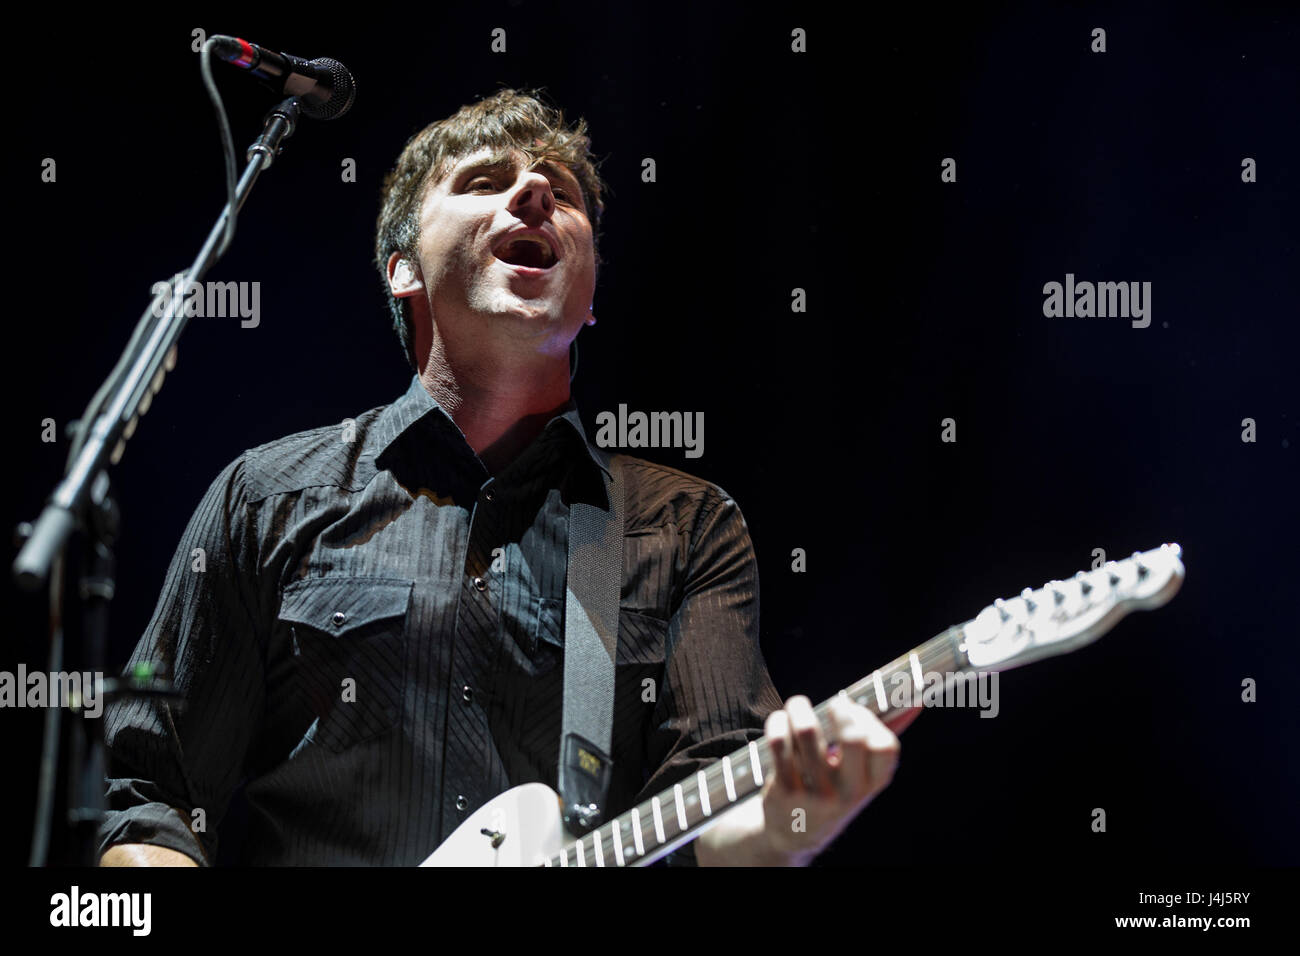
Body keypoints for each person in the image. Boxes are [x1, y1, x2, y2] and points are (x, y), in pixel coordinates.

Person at [97, 88, 916, 867]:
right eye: (485, 182)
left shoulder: (684, 527)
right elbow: (152, 795)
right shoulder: (268, 499)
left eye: (561, 194)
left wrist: (787, 827)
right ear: (403, 270)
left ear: (590, 298)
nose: (531, 193)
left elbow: (709, 820)